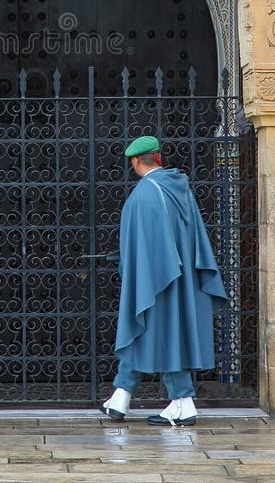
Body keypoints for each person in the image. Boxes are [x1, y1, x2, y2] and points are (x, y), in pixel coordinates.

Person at [101, 135, 227, 426]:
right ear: (157, 157)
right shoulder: (180, 187)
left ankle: (183, 403)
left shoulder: (143, 194)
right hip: (181, 279)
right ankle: (120, 397)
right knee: (147, 333)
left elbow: (138, 246)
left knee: (154, 332)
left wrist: (134, 274)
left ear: (135, 161)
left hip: (157, 281)